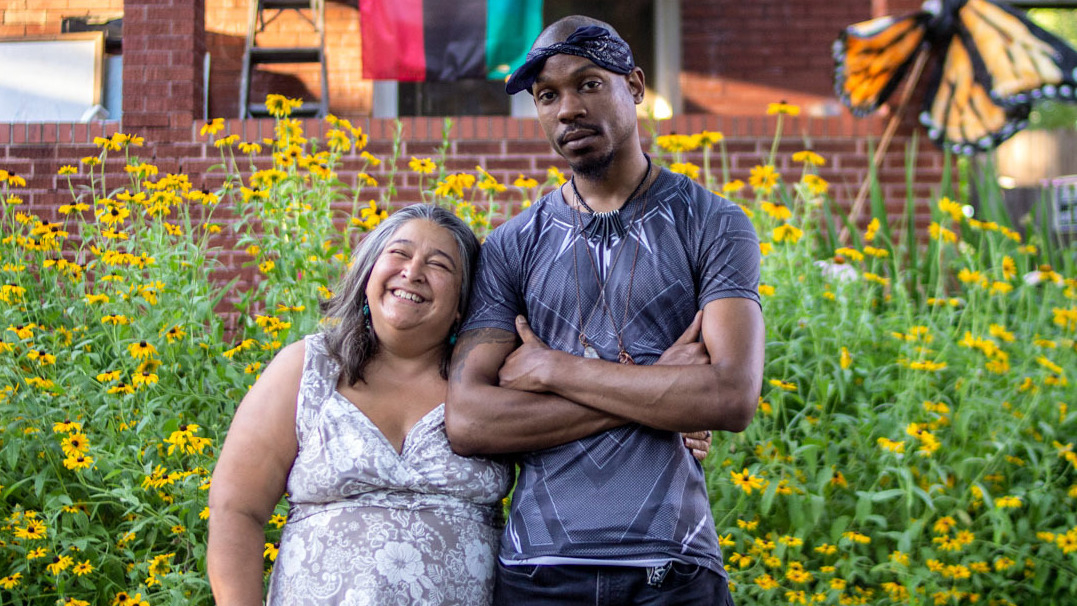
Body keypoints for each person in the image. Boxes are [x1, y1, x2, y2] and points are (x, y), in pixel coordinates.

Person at [445, 15, 765, 606]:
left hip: (674, 566)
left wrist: (552, 369)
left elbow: (730, 397)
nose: (568, 109)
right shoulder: (511, 246)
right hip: (538, 570)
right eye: (547, 96)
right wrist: (660, 390)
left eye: (588, 84)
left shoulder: (714, 224)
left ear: (635, 86)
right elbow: (469, 421)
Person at [207, 204, 512, 605]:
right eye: (399, 253)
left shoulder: (492, 381)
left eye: (439, 264)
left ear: (462, 302)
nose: (413, 272)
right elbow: (236, 509)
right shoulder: (307, 368)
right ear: (369, 274)